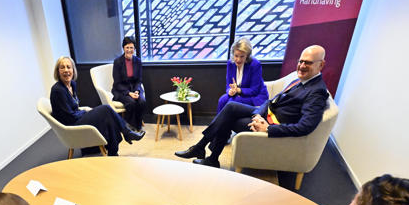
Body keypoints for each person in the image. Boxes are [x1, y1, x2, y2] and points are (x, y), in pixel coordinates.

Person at [175, 44, 329, 168]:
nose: (301, 66)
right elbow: (274, 100)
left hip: (271, 123)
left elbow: (305, 127)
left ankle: (209, 156)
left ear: (321, 65)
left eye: (307, 62)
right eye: (300, 61)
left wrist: (268, 128)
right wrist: (259, 114)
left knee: (228, 119)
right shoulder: (302, 81)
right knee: (230, 106)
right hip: (266, 114)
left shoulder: (317, 92)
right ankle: (201, 147)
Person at [50, 56, 144, 156]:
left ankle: (114, 150)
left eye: (69, 67)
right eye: (62, 67)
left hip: (77, 117)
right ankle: (126, 132)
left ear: (73, 70)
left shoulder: (72, 84)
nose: (66, 70)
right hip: (71, 126)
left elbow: (74, 108)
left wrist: (83, 112)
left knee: (109, 119)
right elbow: (69, 117)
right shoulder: (58, 90)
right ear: (57, 71)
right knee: (106, 109)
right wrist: (85, 112)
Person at [216, 37, 269, 113]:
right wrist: (230, 91)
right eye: (236, 56)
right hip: (238, 94)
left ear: (247, 55)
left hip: (255, 96)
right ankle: (218, 124)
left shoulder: (255, 65)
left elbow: (255, 90)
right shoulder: (230, 63)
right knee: (222, 100)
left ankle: (225, 124)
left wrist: (238, 90)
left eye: (242, 56)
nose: (238, 59)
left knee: (232, 101)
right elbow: (228, 85)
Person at [112, 36, 147, 130]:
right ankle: (130, 126)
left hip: (134, 88)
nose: (129, 50)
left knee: (142, 101)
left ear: (134, 48)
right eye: (127, 47)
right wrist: (129, 93)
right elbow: (117, 83)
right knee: (131, 103)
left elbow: (139, 80)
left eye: (131, 47)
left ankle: (137, 125)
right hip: (121, 90)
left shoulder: (138, 61)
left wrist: (136, 91)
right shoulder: (117, 62)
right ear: (123, 48)